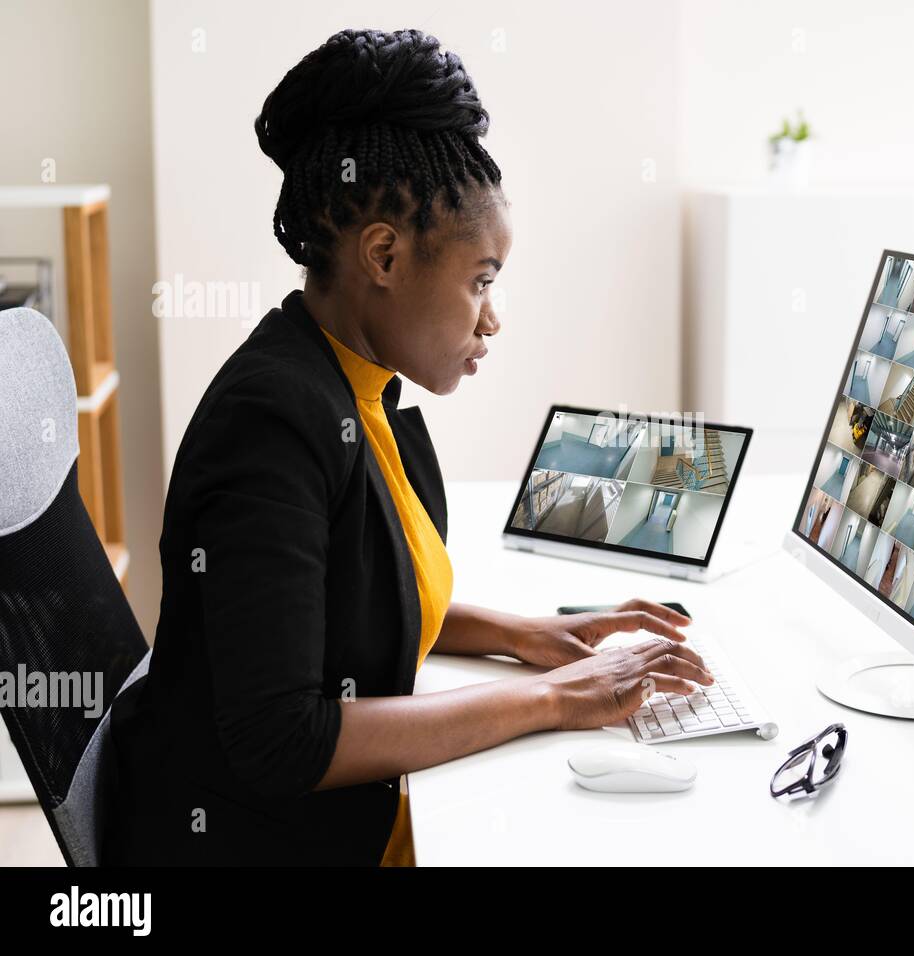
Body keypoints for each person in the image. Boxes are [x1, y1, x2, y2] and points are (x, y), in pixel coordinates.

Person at [106, 28, 712, 866]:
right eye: (482, 279)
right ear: (384, 254)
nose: (491, 317)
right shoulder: (273, 424)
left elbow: (349, 603)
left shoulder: (351, 386)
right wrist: (552, 699)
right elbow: (280, 739)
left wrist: (525, 635)